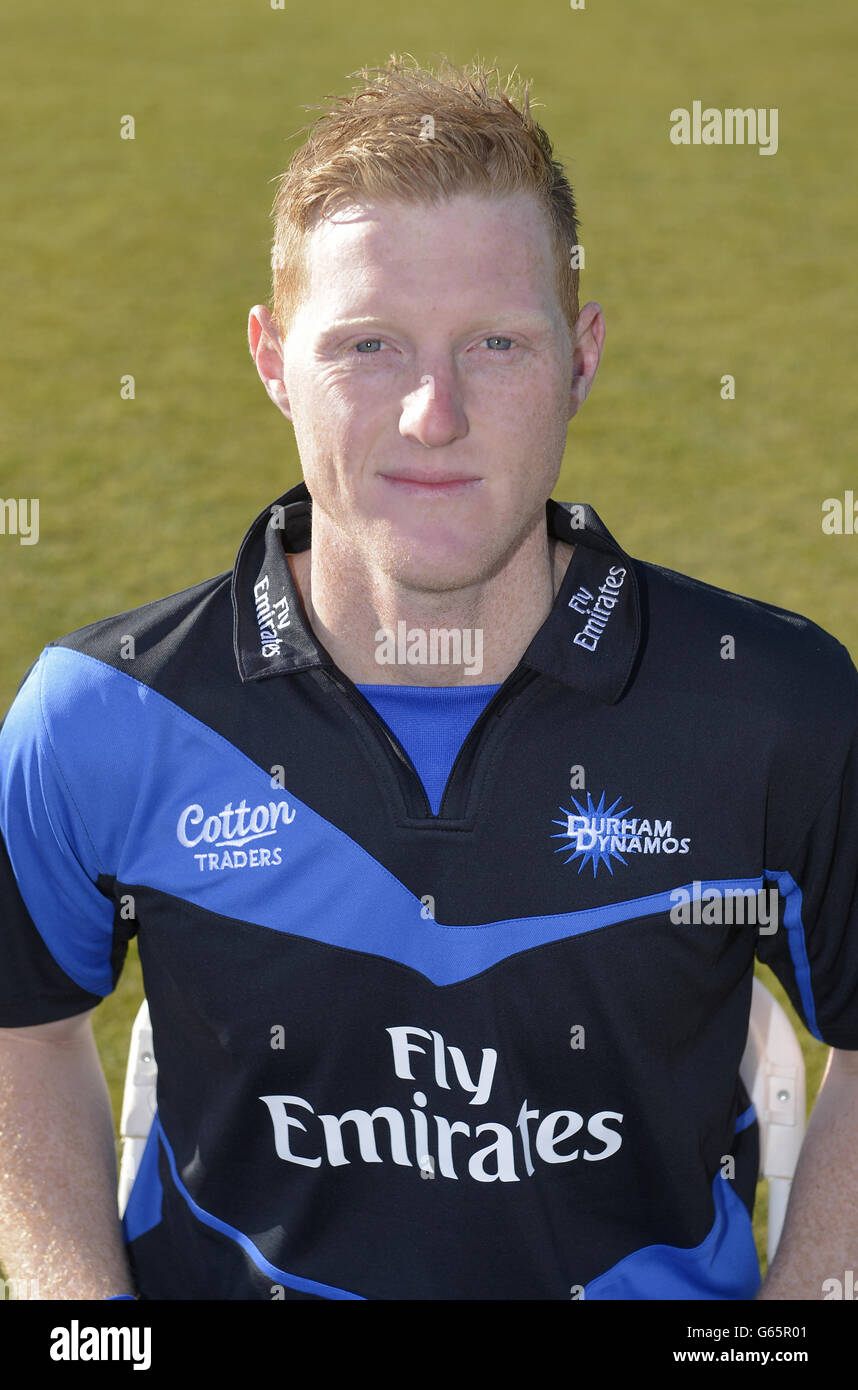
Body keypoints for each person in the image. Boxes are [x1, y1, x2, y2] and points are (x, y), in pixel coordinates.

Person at [0, 56, 856, 1302]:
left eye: (496, 343)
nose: (431, 414)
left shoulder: (775, 709)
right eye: (368, 345)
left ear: (583, 355)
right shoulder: (103, 717)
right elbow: (22, 1024)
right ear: (271, 359)